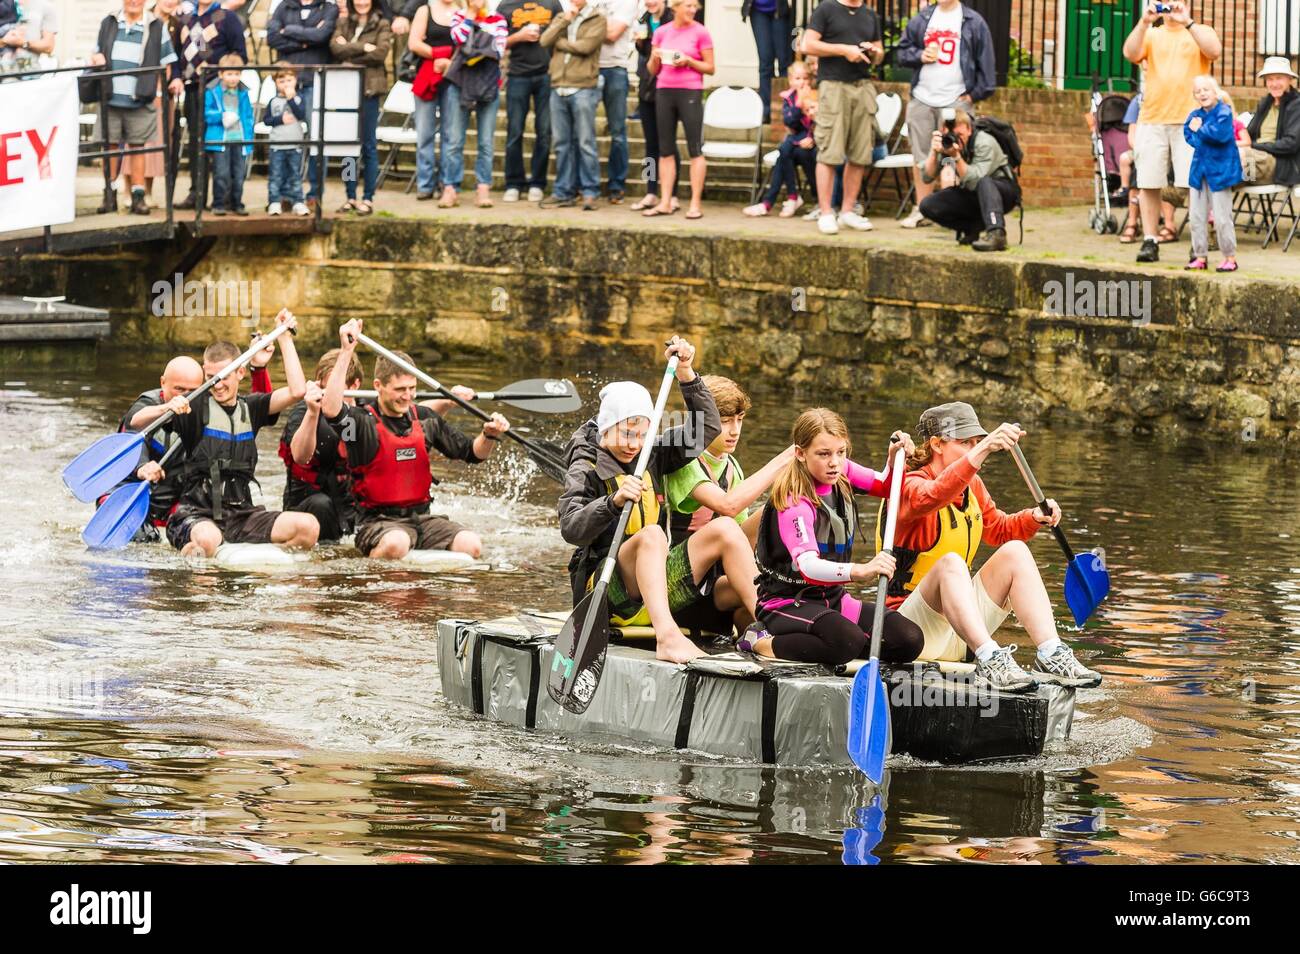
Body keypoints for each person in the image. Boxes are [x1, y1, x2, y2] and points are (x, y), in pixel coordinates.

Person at [884, 403, 1102, 690]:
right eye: (966, 443)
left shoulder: (972, 486)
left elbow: (997, 529)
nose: (975, 449)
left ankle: (1051, 652)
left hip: (959, 632)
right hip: (911, 631)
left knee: (1016, 551)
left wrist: (1034, 517)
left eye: (977, 442)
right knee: (952, 564)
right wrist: (984, 449)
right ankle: (991, 657)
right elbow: (932, 496)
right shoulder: (907, 483)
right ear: (936, 444)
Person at [558, 337, 741, 663]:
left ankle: (766, 627)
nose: (634, 443)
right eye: (626, 433)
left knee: (724, 528)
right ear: (605, 428)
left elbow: (707, 429)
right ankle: (668, 638)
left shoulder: (652, 453)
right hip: (603, 593)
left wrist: (686, 373)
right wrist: (611, 501)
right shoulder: (585, 465)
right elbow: (571, 528)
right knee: (653, 535)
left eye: (642, 434)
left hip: (653, 588)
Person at [741, 408, 924, 668]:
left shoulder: (841, 471)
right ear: (800, 453)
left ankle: (836, 646)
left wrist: (894, 461)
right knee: (846, 640)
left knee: (909, 639)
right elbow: (807, 566)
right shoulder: (794, 502)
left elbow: (885, 486)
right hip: (787, 603)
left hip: (834, 599)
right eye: (824, 454)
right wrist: (860, 570)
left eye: (841, 452)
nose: (835, 462)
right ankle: (758, 640)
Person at [322, 320, 509, 560]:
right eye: (400, 389)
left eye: (412, 388)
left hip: (421, 518)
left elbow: (474, 454)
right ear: (378, 386)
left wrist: (489, 435)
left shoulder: (425, 419)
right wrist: (347, 351)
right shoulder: (360, 423)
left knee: (471, 544)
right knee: (396, 543)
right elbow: (331, 408)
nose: (407, 396)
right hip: (377, 523)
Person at [160, 310, 318, 559]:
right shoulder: (194, 407)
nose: (218, 385)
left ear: (240, 373)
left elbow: (298, 391)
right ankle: (193, 560)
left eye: (224, 377)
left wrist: (285, 338)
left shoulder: (252, 408)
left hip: (241, 513)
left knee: (308, 527)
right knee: (208, 540)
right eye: (211, 378)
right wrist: (170, 406)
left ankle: (255, 558)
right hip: (197, 513)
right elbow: (141, 418)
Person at [1122, 1, 1221, 263]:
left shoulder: (1200, 31)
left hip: (1191, 121)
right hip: (1153, 118)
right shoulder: (1151, 34)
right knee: (1148, 182)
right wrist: (1144, 22)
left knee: (1193, 184)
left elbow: (1214, 51)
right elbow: (1130, 53)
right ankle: (1150, 240)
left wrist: (1187, 21)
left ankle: (1197, 244)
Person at [894, 0, 996, 229]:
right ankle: (922, 209)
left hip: (955, 99)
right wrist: (920, 55)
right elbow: (901, 52)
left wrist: (972, 96)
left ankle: (951, 210)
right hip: (922, 98)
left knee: (954, 154)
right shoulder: (922, 18)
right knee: (922, 156)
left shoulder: (974, 22)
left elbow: (987, 66)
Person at [663, 374, 794, 551]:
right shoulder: (683, 460)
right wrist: (786, 459)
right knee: (725, 525)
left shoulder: (731, 465)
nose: (735, 431)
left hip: (718, 561)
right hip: (677, 563)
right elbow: (727, 506)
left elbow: (742, 529)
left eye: (739, 419)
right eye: (725, 422)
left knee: (779, 507)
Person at [88, 0, 183, 216]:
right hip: (110, 95)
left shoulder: (156, 26)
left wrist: (159, 91)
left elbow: (168, 62)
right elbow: (95, 53)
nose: (134, 1)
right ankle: (109, 193)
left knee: (139, 147)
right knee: (109, 146)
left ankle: (138, 197)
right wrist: (96, 58)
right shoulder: (109, 22)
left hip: (141, 96)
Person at [801, 0, 882, 235]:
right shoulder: (826, 9)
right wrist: (844, 49)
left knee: (859, 152)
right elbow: (807, 44)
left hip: (863, 85)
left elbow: (879, 53)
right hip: (834, 85)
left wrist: (874, 52)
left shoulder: (869, 15)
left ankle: (847, 211)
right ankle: (826, 212)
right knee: (829, 151)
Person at [279, 348, 363, 543]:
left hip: (349, 501)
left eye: (334, 389)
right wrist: (313, 413)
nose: (328, 398)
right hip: (309, 502)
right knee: (322, 505)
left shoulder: (368, 411)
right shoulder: (302, 413)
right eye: (325, 389)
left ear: (355, 385)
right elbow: (299, 456)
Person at [643, 0, 713, 220]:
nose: (692, 10)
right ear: (676, 7)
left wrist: (689, 61)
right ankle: (664, 201)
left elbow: (710, 67)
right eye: (688, 6)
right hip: (664, 91)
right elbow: (652, 69)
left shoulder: (701, 32)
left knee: (695, 149)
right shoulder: (662, 32)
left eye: (695, 7)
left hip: (690, 91)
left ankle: (694, 203)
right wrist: (654, 59)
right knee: (664, 150)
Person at [267, 0, 339, 211]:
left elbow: (322, 37)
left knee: (318, 141)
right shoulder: (283, 7)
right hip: (285, 84)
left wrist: (289, 31)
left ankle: (315, 195)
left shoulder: (329, 8)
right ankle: (286, 195)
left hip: (315, 83)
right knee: (285, 139)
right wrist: (306, 39)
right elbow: (272, 39)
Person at [175, 0, 246, 210]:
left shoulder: (227, 18)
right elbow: (178, 53)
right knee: (197, 143)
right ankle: (196, 194)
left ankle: (224, 198)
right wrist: (178, 76)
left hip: (218, 92)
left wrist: (217, 72)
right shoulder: (187, 19)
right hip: (192, 89)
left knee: (221, 144)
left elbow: (240, 54)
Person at [917, 104, 1017, 251]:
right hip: (974, 193)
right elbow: (927, 177)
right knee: (927, 205)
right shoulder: (947, 143)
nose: (955, 140)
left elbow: (976, 180)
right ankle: (972, 229)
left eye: (959, 135)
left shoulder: (984, 142)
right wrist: (934, 152)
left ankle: (997, 233)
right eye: (951, 134)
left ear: (969, 129)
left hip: (1003, 191)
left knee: (984, 182)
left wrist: (956, 157)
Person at [539, 0, 606, 210]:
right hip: (558, 86)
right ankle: (563, 191)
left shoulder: (598, 19)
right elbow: (544, 40)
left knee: (585, 142)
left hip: (584, 87)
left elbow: (586, 47)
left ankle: (590, 191)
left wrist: (560, 43)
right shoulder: (562, 17)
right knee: (561, 144)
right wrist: (564, 22)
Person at [498, 0, 562, 204]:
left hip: (546, 75)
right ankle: (513, 183)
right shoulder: (505, 5)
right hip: (517, 75)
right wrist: (519, 36)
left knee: (544, 132)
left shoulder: (552, 3)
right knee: (514, 132)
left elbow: (562, 33)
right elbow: (496, 42)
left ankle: (537, 182)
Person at [332, 0, 392, 215]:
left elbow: (381, 53)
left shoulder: (382, 24)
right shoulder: (343, 22)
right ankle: (350, 195)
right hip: (345, 90)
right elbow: (335, 49)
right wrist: (363, 47)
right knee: (348, 148)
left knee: (368, 145)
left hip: (369, 89)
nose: (361, 2)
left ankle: (368, 197)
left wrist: (349, 50)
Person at [446, 0, 507, 209]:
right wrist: (471, 17)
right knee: (454, 140)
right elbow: (459, 39)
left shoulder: (498, 19)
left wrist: (473, 48)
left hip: (488, 85)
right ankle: (450, 188)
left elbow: (498, 50)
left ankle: (483, 188)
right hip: (460, 84)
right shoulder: (458, 16)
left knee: (485, 142)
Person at [1184, 74, 1241, 272]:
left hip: (1220, 172)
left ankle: (1229, 257)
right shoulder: (1194, 115)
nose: (1202, 94)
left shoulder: (1224, 112)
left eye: (1205, 89)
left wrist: (1200, 130)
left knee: (1222, 217)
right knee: (1196, 216)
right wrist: (1201, 133)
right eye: (1198, 91)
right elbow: (1188, 135)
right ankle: (1200, 256)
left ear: (1215, 92)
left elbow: (1221, 135)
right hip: (1199, 172)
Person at [744, 62, 816, 217]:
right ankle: (788, 198)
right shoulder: (789, 98)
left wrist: (812, 139)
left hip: (812, 144)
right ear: (790, 80)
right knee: (785, 152)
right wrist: (798, 104)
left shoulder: (815, 95)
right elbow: (790, 122)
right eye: (797, 78)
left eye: (805, 78)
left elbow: (819, 122)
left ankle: (774, 201)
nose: (802, 82)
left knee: (785, 153)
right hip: (796, 142)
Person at [407, 0, 461, 202]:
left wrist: (449, 61)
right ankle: (425, 183)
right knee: (425, 133)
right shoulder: (425, 11)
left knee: (451, 134)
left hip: (454, 77)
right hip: (427, 75)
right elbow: (414, 43)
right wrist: (438, 55)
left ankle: (447, 184)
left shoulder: (462, 12)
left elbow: (467, 44)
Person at [630, 0, 677, 211]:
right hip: (646, 88)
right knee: (650, 144)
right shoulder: (643, 20)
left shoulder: (672, 20)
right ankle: (650, 190)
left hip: (667, 88)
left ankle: (673, 194)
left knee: (668, 144)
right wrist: (639, 45)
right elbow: (644, 54)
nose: (650, 2)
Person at [597, 0, 637, 204]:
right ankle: (585, 184)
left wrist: (590, 31)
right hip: (588, 68)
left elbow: (613, 35)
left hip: (616, 69)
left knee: (618, 132)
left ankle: (617, 185)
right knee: (581, 131)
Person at [204, 53, 253, 216]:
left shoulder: (243, 93)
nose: (233, 78)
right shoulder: (212, 91)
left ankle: (237, 203)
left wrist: (249, 137)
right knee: (221, 173)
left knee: (238, 174)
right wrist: (221, 116)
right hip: (220, 140)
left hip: (239, 139)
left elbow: (248, 116)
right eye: (229, 74)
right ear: (221, 74)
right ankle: (218, 203)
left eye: (237, 74)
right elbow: (207, 114)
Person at [1241, 56, 1300, 187]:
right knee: (1215, 162)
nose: (1274, 84)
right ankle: (1211, 206)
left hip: (1279, 167)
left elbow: (1290, 145)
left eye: (1279, 78)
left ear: (1289, 79)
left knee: (1237, 159)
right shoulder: (1265, 103)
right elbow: (1248, 135)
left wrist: (1252, 146)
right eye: (1270, 79)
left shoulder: (1297, 105)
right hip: (1251, 166)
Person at [264, 68, 310, 216]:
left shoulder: (299, 99)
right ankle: (274, 201)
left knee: (295, 175)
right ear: (276, 83)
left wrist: (291, 99)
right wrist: (280, 120)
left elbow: (301, 114)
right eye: (281, 81)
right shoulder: (273, 101)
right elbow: (267, 120)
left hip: (294, 145)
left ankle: (298, 201)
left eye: (289, 80)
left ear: (295, 81)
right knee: (276, 175)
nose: (285, 84)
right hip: (277, 145)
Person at [741, 0, 792, 116]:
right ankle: (766, 109)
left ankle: (786, 107)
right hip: (758, 11)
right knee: (765, 62)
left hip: (780, 10)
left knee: (784, 61)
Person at [0, 0, 57, 77]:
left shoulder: (46, 6)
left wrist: (22, 43)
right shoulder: (3, 4)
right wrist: (4, 41)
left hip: (30, 75)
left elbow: (48, 47)